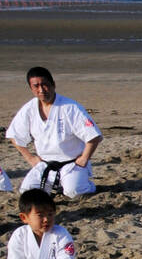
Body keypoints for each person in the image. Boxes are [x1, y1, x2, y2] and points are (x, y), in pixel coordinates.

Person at [6, 67, 102, 197]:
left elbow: (94, 136)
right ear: (31, 88)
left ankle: (85, 183)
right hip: (44, 164)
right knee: (28, 192)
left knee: (73, 192)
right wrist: (30, 158)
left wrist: (84, 158)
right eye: (36, 86)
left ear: (53, 84)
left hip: (72, 164)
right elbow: (13, 135)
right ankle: (59, 183)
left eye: (45, 84)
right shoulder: (29, 109)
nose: (41, 90)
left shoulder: (70, 107)